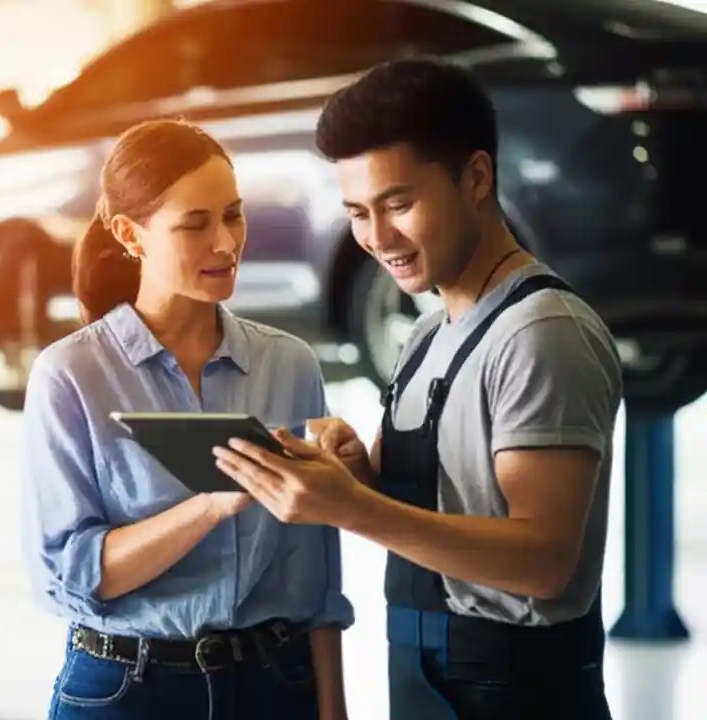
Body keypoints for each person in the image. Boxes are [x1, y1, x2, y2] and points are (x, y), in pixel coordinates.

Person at [213, 57, 622, 720]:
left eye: (399, 204)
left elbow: (543, 560)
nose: (377, 239)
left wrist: (351, 508)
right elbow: (432, 514)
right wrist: (356, 476)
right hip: (421, 670)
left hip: (515, 688)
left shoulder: (541, 332)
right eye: (357, 213)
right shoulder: (429, 334)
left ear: (478, 178)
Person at [20, 118, 353, 720]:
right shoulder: (72, 375)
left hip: (274, 686)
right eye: (195, 225)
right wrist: (213, 504)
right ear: (130, 233)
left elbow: (317, 582)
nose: (226, 243)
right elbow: (71, 575)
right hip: (126, 691)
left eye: (234, 214)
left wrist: (333, 711)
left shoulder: (289, 365)